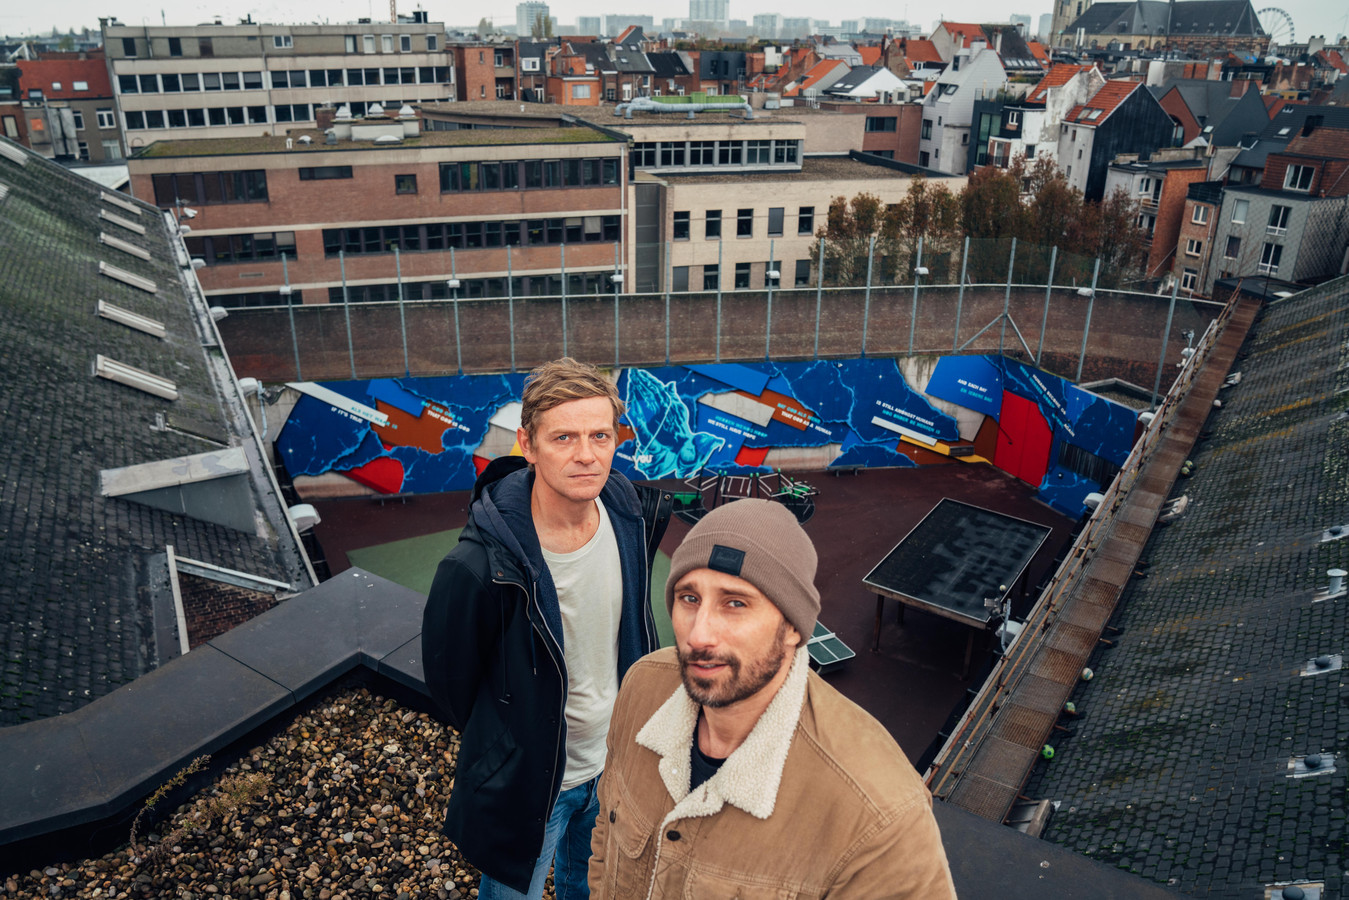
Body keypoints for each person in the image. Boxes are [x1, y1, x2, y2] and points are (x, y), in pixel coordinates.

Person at [589, 498, 957, 899]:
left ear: (794, 628)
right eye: (689, 598)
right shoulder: (643, 688)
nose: (698, 635)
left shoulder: (878, 813)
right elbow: (606, 837)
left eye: (735, 603)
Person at [422, 358, 670, 900]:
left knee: (589, 885)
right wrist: (515, 743)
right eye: (565, 438)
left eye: (600, 435)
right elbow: (451, 687)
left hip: (613, 766)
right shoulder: (475, 566)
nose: (587, 454)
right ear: (528, 446)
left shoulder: (628, 514)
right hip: (534, 783)